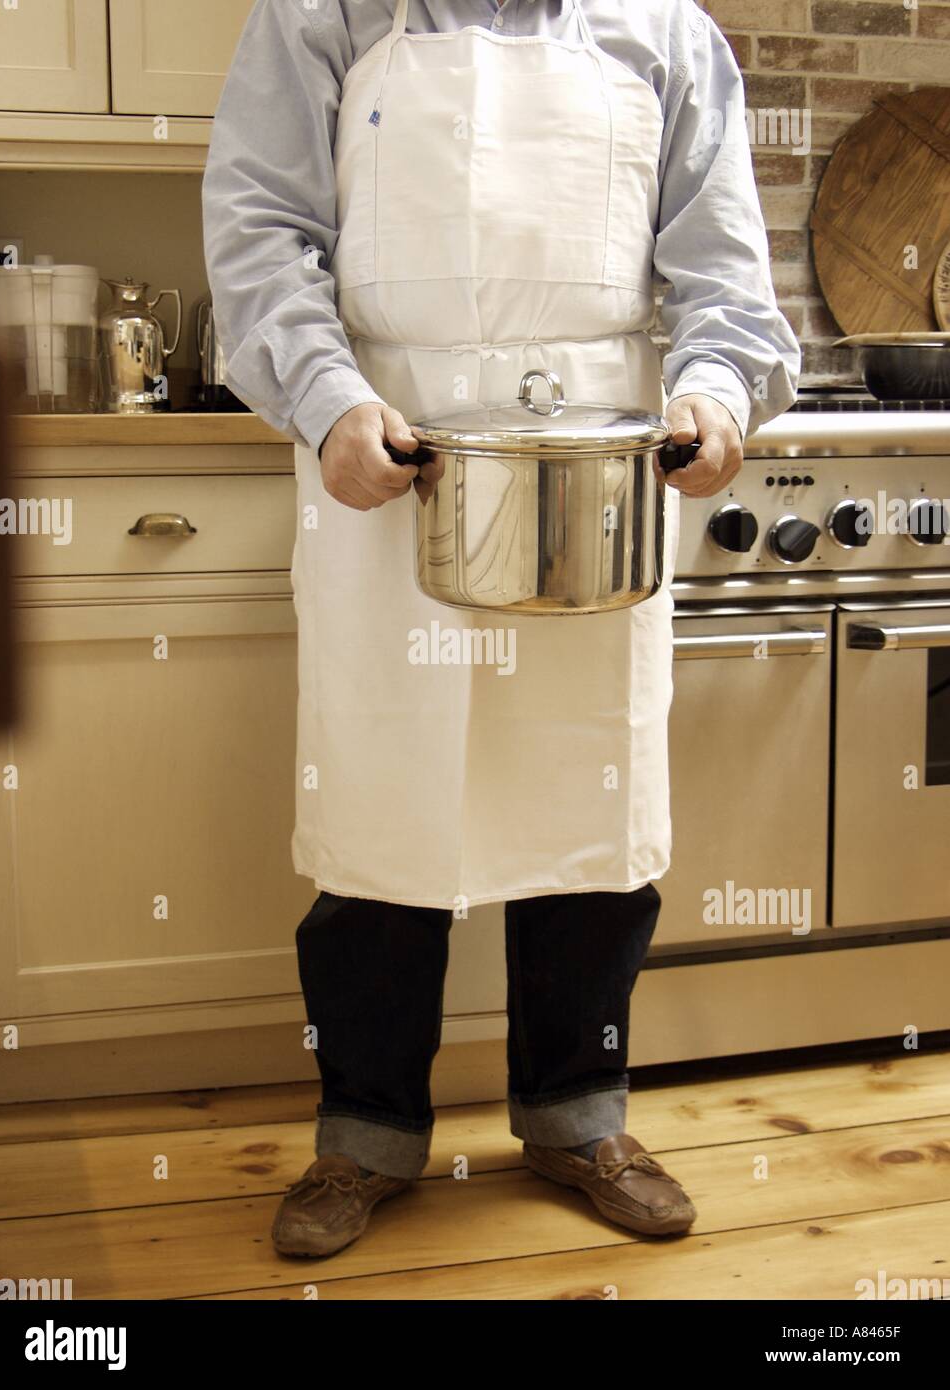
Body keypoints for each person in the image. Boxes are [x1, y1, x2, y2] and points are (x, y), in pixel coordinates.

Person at [203, 0, 800, 1259]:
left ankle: (579, 1112)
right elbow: (261, 232)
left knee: (593, 802)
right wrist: (326, 398)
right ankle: (365, 1128)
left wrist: (715, 387)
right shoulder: (320, 19)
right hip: (389, 453)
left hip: (599, 469)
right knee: (380, 799)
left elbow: (723, 273)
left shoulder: (669, 37)